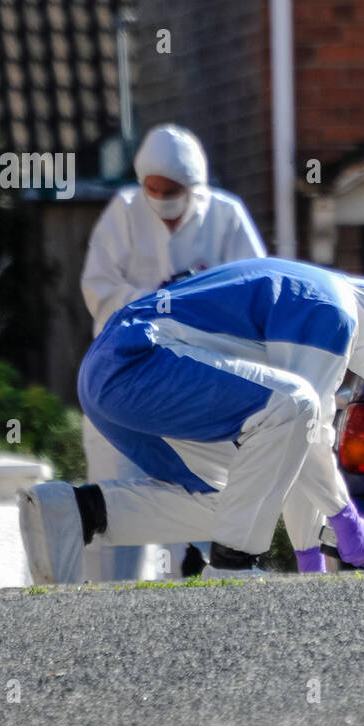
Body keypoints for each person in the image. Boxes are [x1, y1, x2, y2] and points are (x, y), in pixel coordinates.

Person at [18, 257, 364, 584]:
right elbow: (307, 427)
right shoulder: (331, 310)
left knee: (235, 496)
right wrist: (344, 515)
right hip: (137, 363)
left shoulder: (324, 299)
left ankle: (75, 511)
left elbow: (295, 452)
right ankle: (234, 565)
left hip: (112, 376)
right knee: (296, 406)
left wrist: (308, 554)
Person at [79, 123, 267, 582]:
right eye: (153, 189)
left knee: (206, 492)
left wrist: (198, 301)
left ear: (195, 188)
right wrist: (155, 298)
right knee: (115, 490)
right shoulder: (122, 212)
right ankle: (105, 606)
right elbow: (98, 289)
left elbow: (260, 291)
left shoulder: (226, 217)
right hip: (127, 379)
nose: (162, 199)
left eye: (173, 191)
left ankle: (214, 585)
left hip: (200, 384)